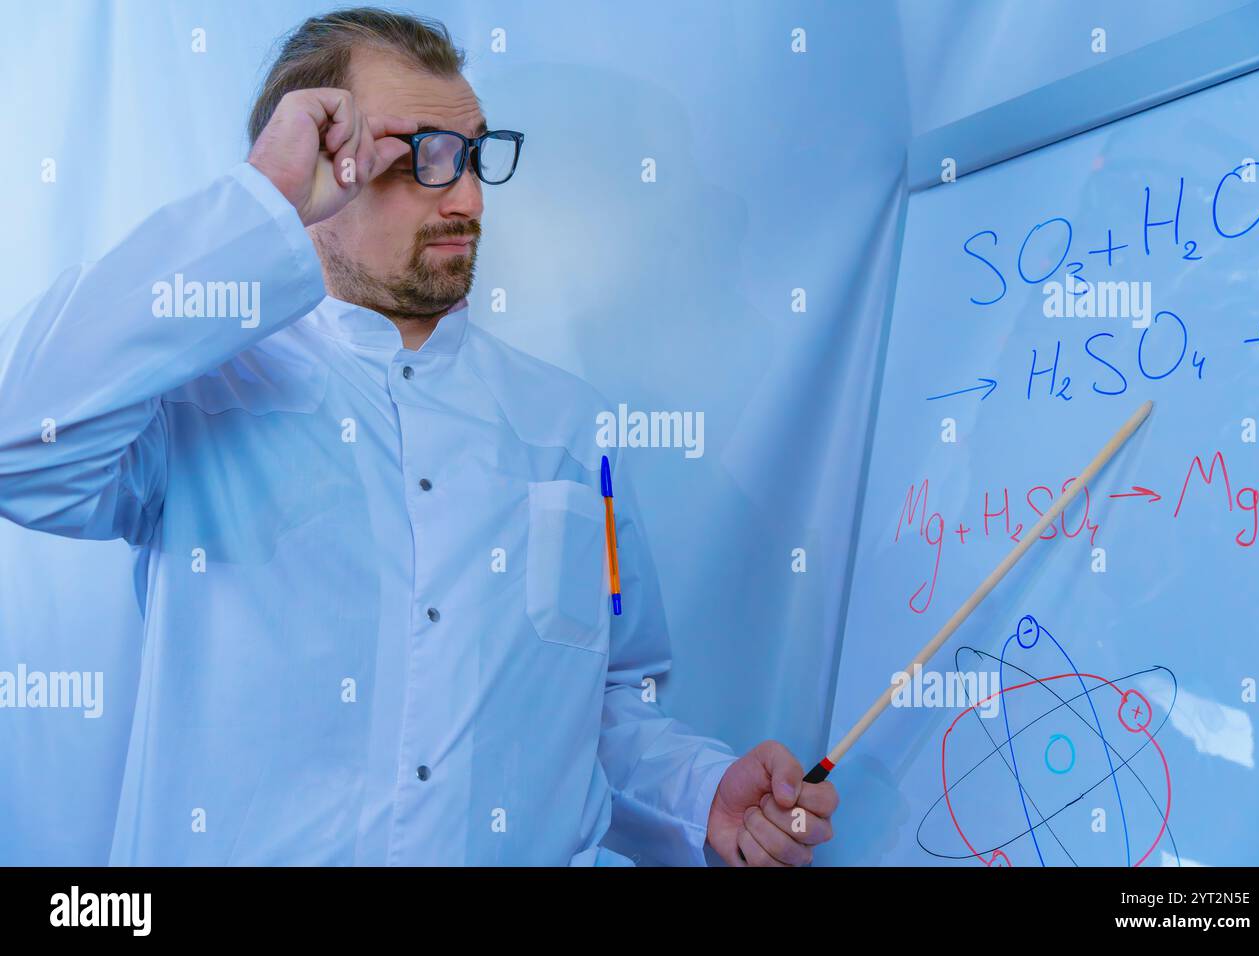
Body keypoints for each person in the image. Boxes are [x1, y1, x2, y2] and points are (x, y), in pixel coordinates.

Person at [0, 6, 836, 866]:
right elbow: (19, 442)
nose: (468, 199)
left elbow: (603, 701)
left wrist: (699, 798)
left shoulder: (568, 429)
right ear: (319, 167)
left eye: (474, 157)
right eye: (421, 159)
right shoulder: (195, 395)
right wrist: (262, 200)